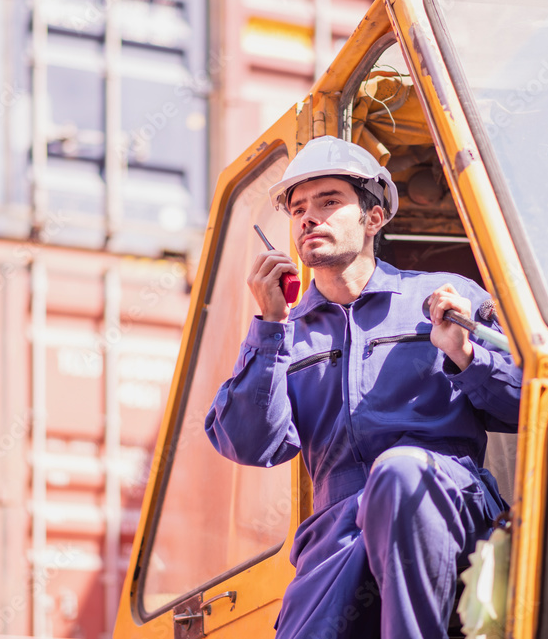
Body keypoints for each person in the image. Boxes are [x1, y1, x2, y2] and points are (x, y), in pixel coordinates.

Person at [204, 136, 522, 638]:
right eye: (299, 208)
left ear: (373, 219)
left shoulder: (443, 297)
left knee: (398, 474)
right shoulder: (284, 331)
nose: (309, 217)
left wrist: (466, 354)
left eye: (329, 201)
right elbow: (248, 444)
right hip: (338, 535)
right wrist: (268, 326)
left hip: (446, 505)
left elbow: (532, 404)